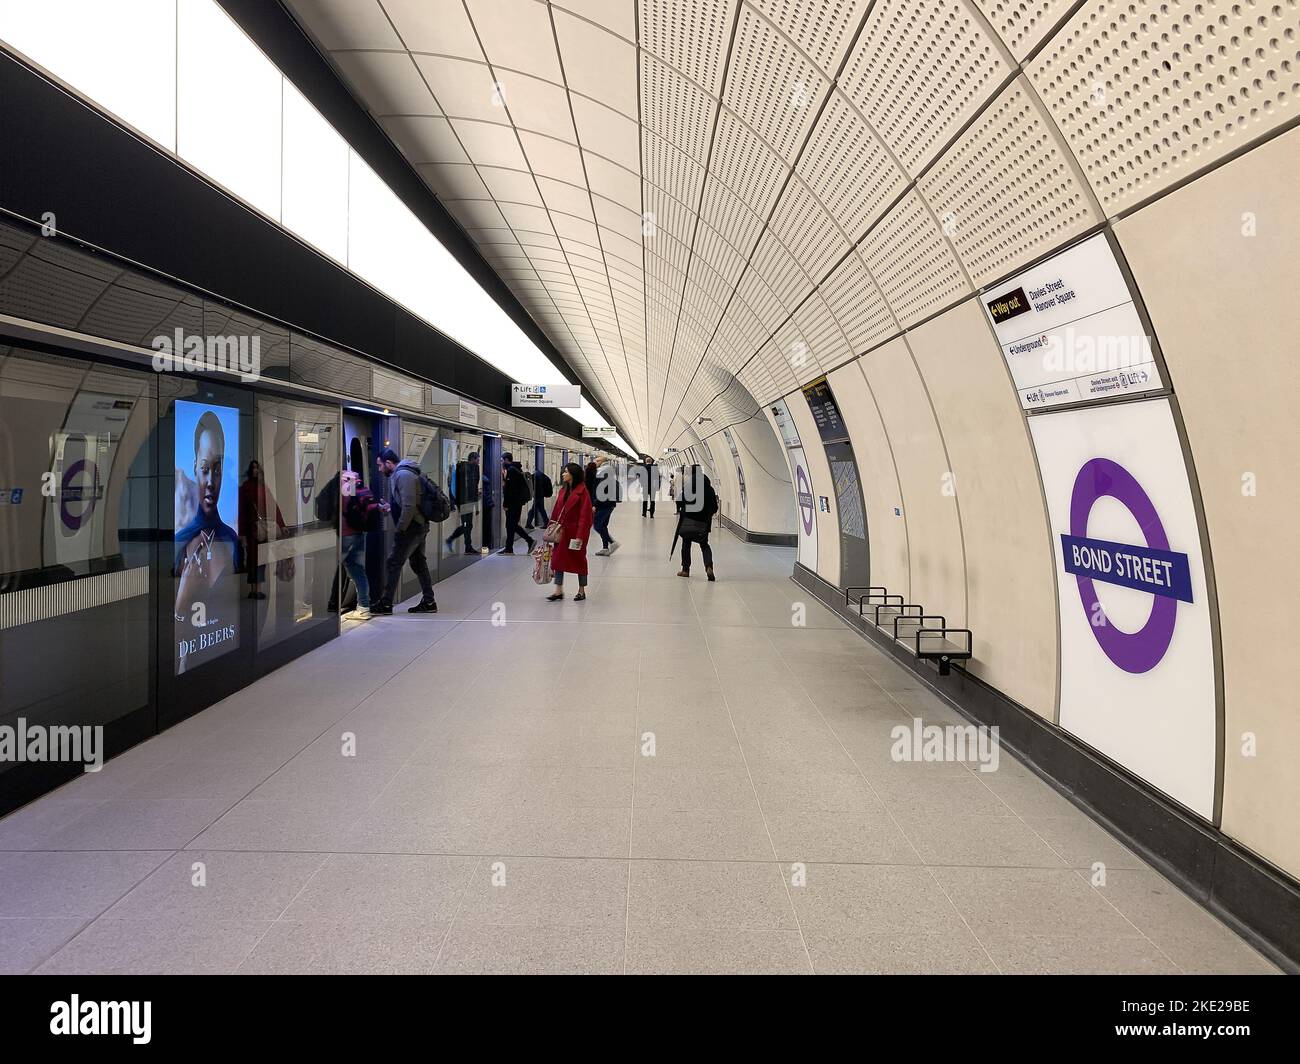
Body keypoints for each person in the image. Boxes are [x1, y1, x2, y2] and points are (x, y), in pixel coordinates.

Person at [174, 411, 242, 629]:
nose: (211, 481)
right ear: (195, 467)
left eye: (218, 470)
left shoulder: (232, 540)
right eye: (205, 469)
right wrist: (182, 600)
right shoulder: (180, 543)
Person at [372, 448, 437, 614]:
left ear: (388, 463)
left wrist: (400, 528)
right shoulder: (404, 473)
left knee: (393, 563)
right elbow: (405, 502)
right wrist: (390, 507)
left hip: (412, 527)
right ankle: (429, 602)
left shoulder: (403, 475)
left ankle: (386, 604)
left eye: (380, 465)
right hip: (417, 525)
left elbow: (409, 505)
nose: (379, 469)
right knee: (418, 563)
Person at [237, 459, 288, 600]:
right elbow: (242, 512)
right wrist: (242, 533)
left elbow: (274, 507)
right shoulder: (247, 489)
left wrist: (282, 524)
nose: (255, 471)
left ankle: (256, 589)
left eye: (257, 468)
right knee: (255, 560)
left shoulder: (261, 488)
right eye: (253, 468)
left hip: (259, 529)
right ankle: (255, 589)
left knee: (258, 560)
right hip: (253, 530)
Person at [546, 462, 593, 602]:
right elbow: (556, 511)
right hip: (561, 532)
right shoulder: (562, 491)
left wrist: (580, 536)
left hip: (575, 533)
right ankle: (558, 590)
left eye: (566, 472)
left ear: (573, 474)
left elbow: (585, 517)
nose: (563, 474)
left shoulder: (583, 492)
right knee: (558, 560)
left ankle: (581, 590)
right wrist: (550, 529)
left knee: (579, 561)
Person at [339, 468, 380, 619]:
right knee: (358, 570)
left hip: (344, 534)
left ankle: (326, 608)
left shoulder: (342, 484)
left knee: (332, 568)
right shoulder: (360, 485)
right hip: (359, 533)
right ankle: (364, 607)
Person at [676, 463, 718, 581]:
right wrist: (707, 515)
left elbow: (680, 501)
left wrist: (683, 508)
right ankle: (709, 566)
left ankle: (685, 570)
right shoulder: (709, 489)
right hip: (704, 522)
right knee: (704, 545)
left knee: (686, 544)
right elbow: (714, 507)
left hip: (689, 519)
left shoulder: (688, 486)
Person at [499, 451, 536, 555]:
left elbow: (510, 490)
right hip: (516, 503)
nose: (501, 462)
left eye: (502, 460)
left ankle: (530, 540)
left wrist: (506, 504)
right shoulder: (515, 469)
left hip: (513, 504)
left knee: (512, 525)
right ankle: (509, 548)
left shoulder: (511, 471)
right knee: (510, 525)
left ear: (506, 460)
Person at [445, 449, 480, 555]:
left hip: (470, 500)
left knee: (468, 525)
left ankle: (465, 546)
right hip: (464, 501)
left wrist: (476, 505)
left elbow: (475, 487)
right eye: (477, 459)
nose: (478, 462)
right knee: (466, 524)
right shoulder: (462, 468)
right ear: (472, 459)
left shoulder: (475, 468)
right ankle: (464, 545)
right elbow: (456, 486)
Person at [591, 456, 620, 556]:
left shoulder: (602, 473)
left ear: (603, 462)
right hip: (609, 503)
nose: (596, 462)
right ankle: (605, 548)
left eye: (598, 461)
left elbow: (601, 490)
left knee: (597, 525)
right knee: (603, 525)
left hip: (604, 504)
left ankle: (612, 542)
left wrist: (595, 504)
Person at [527, 463, 552, 529]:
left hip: (538, 495)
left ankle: (528, 523)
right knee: (540, 509)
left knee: (534, 510)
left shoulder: (536, 476)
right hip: (540, 495)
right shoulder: (540, 475)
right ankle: (546, 523)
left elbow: (536, 486)